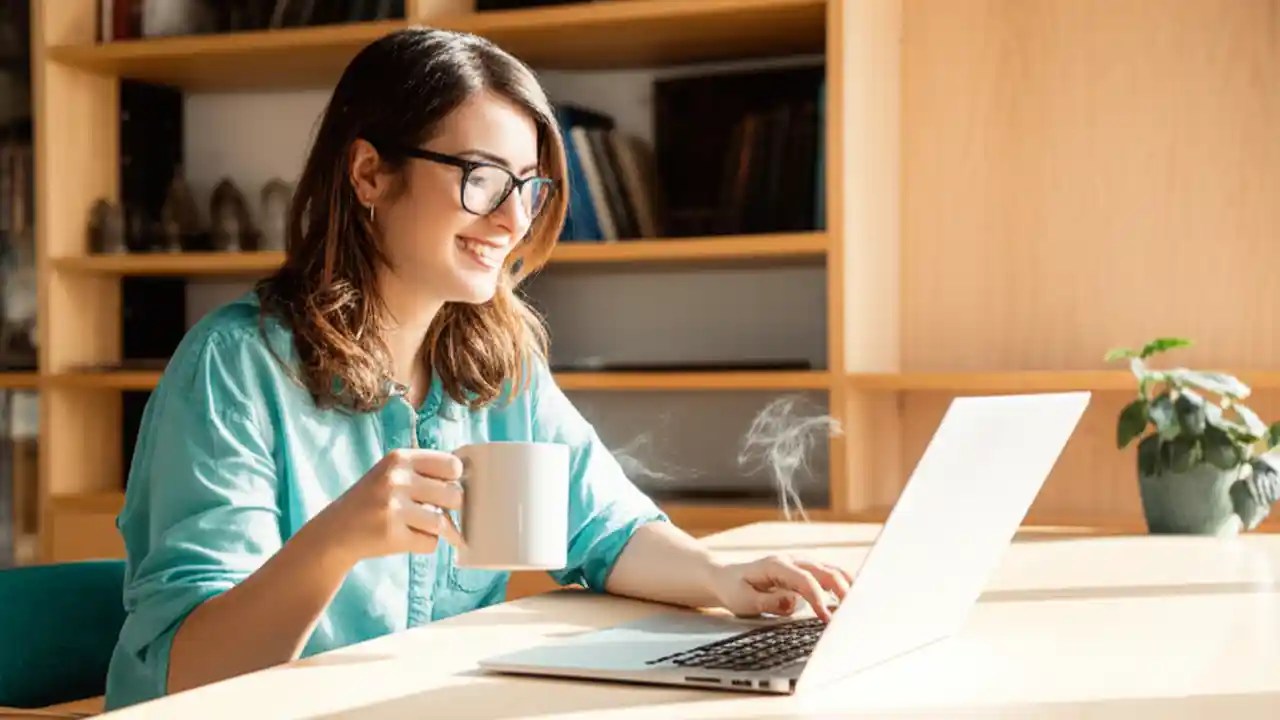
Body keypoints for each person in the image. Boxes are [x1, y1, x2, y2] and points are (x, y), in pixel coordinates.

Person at [103, 27, 852, 710]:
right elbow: (192, 674)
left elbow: (605, 527)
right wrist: (334, 542)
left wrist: (722, 580)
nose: (513, 220)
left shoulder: (495, 357)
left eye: (528, 186)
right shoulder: (233, 369)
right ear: (368, 173)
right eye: (482, 177)